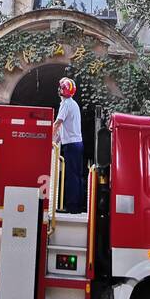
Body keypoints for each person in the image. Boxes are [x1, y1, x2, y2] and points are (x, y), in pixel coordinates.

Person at [52, 77, 86, 213]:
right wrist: (56, 140)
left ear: (62, 90)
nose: (59, 89)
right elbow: (65, 128)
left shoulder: (66, 104)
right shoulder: (73, 104)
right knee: (77, 176)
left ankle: (72, 207)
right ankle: (77, 206)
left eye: (60, 87)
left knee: (71, 176)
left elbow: (58, 123)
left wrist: (48, 137)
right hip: (77, 143)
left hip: (71, 145)